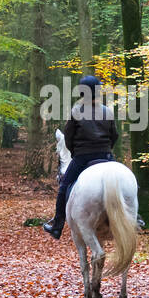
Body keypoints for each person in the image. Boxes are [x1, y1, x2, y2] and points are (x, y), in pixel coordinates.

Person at [45, 75, 118, 239]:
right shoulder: (107, 111)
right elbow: (115, 135)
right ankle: (136, 217)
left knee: (63, 187)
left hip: (83, 157)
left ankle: (57, 226)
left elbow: (69, 138)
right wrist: (106, 149)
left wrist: (75, 152)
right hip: (106, 155)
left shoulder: (76, 111)